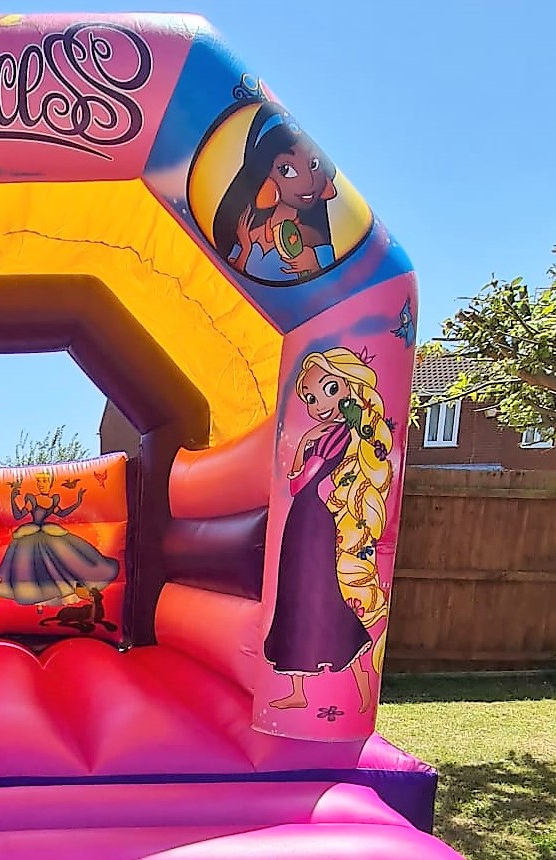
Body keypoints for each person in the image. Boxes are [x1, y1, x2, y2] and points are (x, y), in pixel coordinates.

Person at [263, 347, 393, 713]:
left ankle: (363, 689)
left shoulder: (341, 435)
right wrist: (306, 444)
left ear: (349, 386)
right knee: (295, 598)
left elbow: (300, 481)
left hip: (316, 521)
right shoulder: (327, 434)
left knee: (326, 598)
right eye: (310, 396)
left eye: (328, 389)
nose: (318, 403)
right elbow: (294, 484)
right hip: (303, 521)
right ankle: (298, 689)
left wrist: (306, 445)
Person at [211, 102, 338, 283]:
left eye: (314, 165)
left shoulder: (315, 240)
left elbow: (333, 291)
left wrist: (314, 267)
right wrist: (246, 249)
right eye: (286, 169)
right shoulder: (250, 232)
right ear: (266, 178)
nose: (309, 181)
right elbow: (225, 277)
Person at [0, 471, 119, 606]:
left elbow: (62, 513)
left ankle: (72, 583)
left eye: (45, 482)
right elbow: (18, 516)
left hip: (48, 531)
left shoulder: (53, 499)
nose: (41, 485)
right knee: (27, 563)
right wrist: (13, 498)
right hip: (31, 533)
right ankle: (34, 591)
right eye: (39, 482)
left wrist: (78, 501)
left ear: (51, 484)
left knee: (67, 554)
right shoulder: (32, 498)